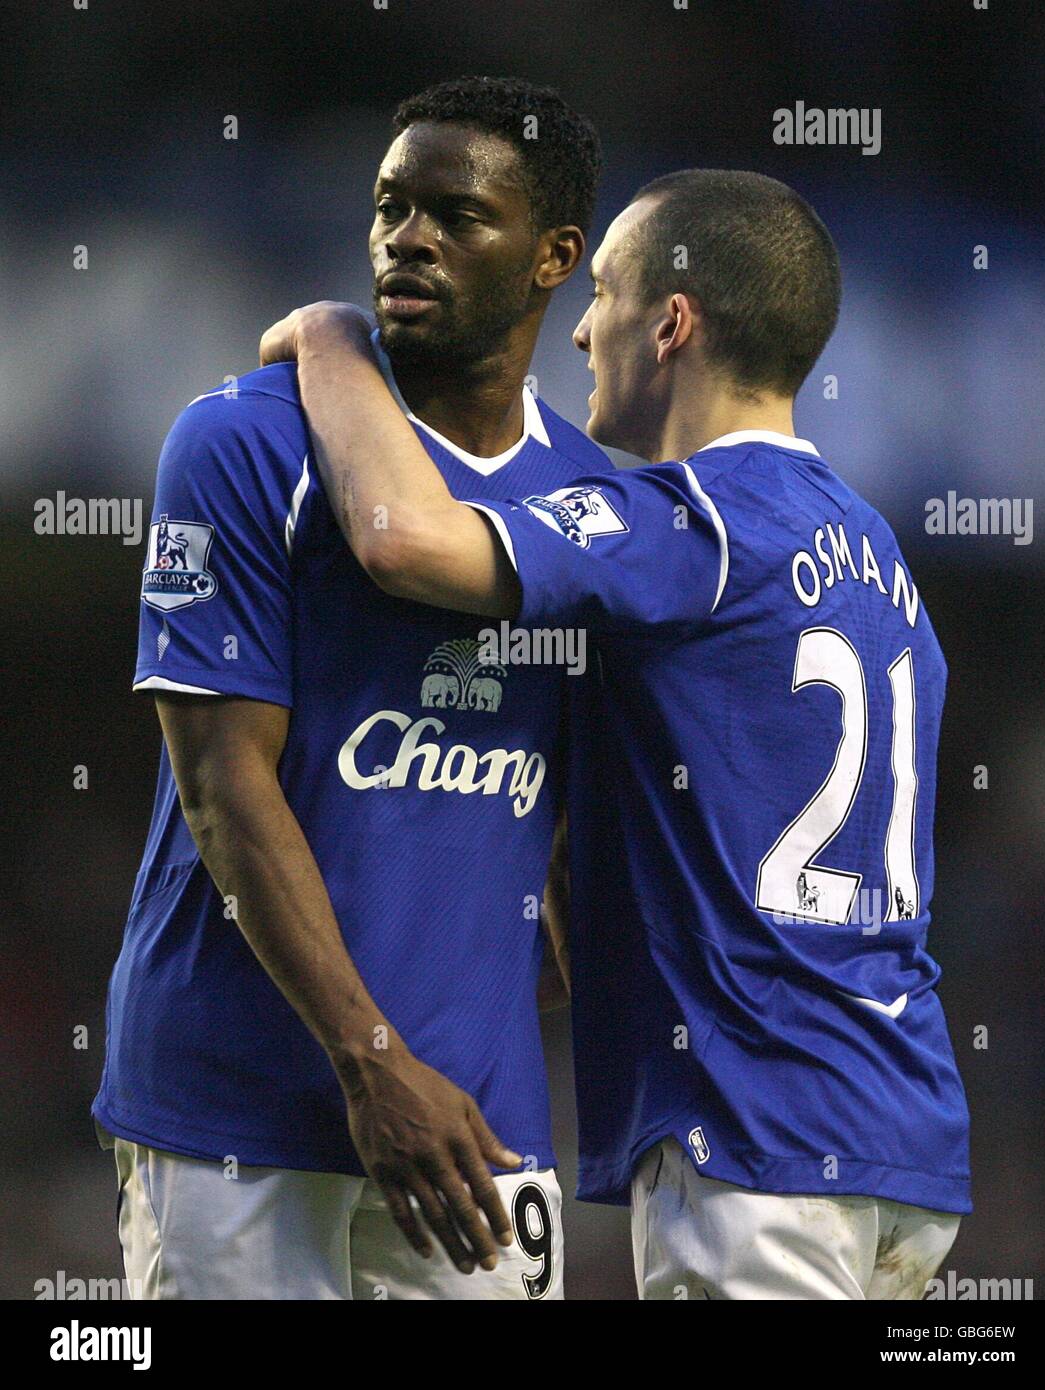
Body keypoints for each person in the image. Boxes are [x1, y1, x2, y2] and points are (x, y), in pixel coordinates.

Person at [260, 168, 972, 1300]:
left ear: (672, 324)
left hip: (757, 1146)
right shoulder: (881, 563)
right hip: (907, 1143)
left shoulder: (696, 526)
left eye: (603, 293)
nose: (582, 329)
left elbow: (401, 538)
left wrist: (332, 340)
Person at [92, 76, 606, 1301]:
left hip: (480, 1133)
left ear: (555, 258)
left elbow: (578, 840)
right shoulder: (240, 442)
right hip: (232, 1117)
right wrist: (372, 1057)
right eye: (389, 207)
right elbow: (223, 787)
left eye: (455, 215)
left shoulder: (595, 503)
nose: (406, 237)